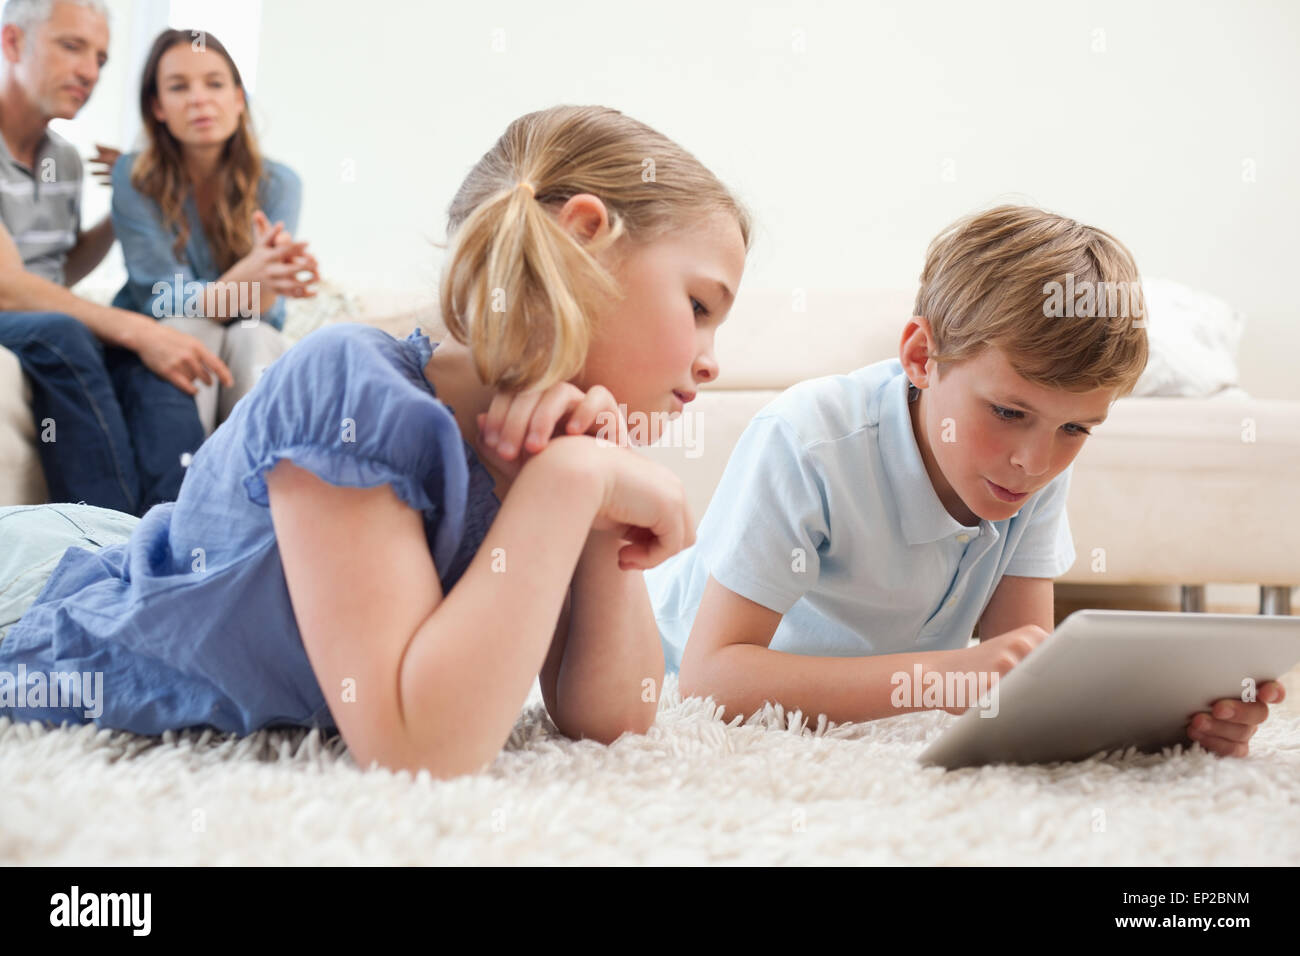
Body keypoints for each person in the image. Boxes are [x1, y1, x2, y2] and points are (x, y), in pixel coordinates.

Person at [0, 104, 751, 781]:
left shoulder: (561, 446)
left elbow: (611, 720)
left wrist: (591, 493)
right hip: (42, 590)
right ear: (584, 238)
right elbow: (413, 749)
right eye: (698, 304)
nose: (714, 359)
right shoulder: (350, 385)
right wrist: (573, 484)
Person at [645, 204, 1285, 759]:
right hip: (657, 655)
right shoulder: (807, 438)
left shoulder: (1031, 464)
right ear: (922, 358)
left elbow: (1016, 666)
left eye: (1076, 430)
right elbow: (711, 681)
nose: (1033, 462)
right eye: (1009, 413)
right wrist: (940, 679)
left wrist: (1178, 724)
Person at [0, 0, 233, 515]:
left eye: (102, 59)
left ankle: (180, 532)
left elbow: (60, 270)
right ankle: (112, 540)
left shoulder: (62, 158)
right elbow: (9, 285)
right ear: (13, 42)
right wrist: (134, 327)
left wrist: (130, 202)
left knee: (158, 359)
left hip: (34, 313)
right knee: (78, 332)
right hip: (16, 314)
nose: (90, 71)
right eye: (72, 46)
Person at [109, 27, 317, 438]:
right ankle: (181, 484)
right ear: (158, 107)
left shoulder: (280, 184)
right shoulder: (134, 176)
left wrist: (269, 278)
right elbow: (160, 298)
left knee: (254, 338)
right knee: (189, 329)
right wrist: (251, 276)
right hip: (161, 343)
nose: (200, 98)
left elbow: (267, 313)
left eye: (215, 84)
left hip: (244, 338)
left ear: (239, 99)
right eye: (179, 87)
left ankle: (248, 485)